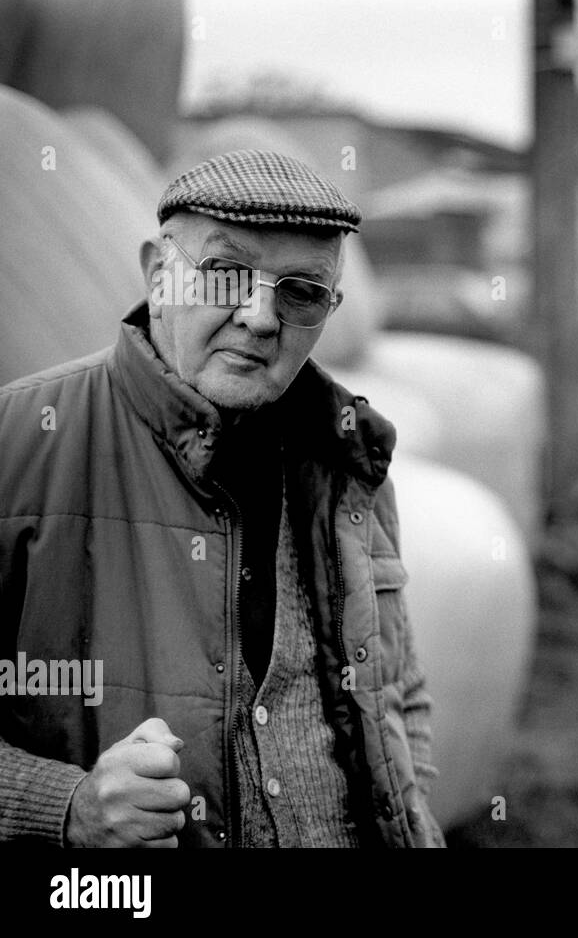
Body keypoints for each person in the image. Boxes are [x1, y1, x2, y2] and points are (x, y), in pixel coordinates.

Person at [0, 149, 444, 848]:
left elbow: (401, 694)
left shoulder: (353, 459)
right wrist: (66, 806)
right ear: (157, 272)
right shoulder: (18, 442)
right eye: (226, 272)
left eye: (300, 291)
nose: (260, 316)